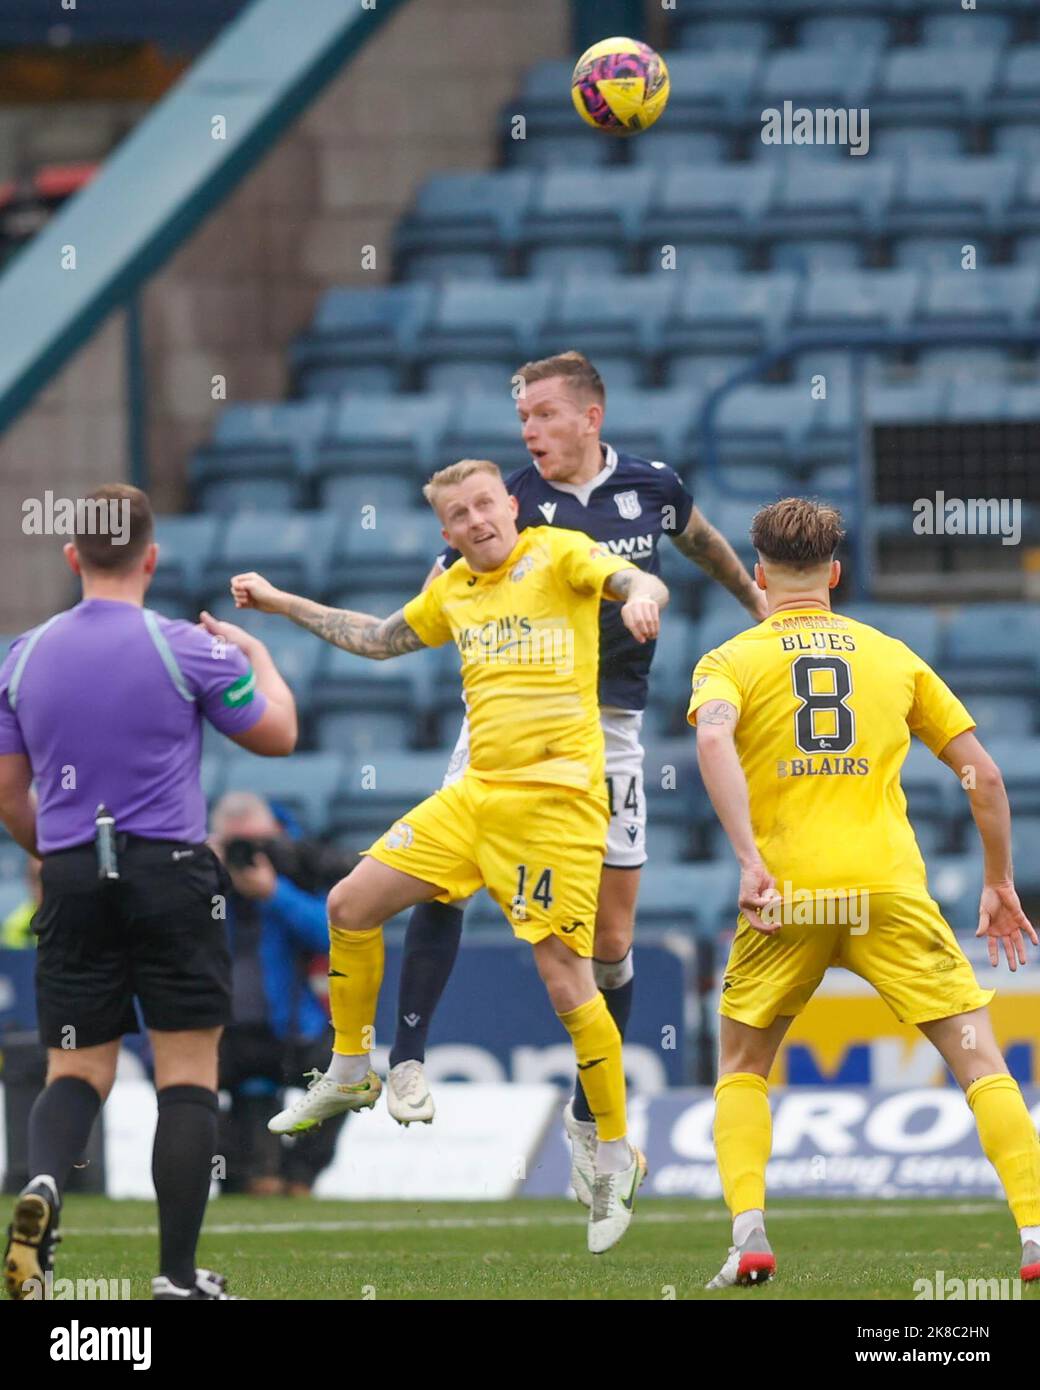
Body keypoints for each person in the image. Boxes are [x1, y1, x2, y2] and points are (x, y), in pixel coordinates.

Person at [230, 456, 669, 1252]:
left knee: (567, 982)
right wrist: (277, 600)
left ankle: (611, 1151)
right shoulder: (454, 589)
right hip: (474, 797)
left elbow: (634, 581)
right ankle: (352, 1068)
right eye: (459, 515)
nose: (477, 521)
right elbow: (373, 638)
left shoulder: (559, 553)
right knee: (348, 905)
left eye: (485, 505)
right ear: (445, 531)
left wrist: (641, 597)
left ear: (511, 504)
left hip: (555, 805)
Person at [386, 351, 765, 1208]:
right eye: (522, 417)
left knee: (613, 945)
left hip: (610, 731)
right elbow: (436, 598)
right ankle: (405, 1056)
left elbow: (700, 544)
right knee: (441, 881)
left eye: (544, 414)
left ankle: (593, 1117)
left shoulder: (653, 486)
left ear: (591, 415)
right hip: (507, 729)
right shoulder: (508, 504)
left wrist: (759, 609)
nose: (530, 431)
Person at [687, 496, 1040, 1289]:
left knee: (743, 1064)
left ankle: (749, 1237)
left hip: (790, 895)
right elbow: (982, 775)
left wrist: (748, 858)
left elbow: (712, 735)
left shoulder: (729, 660)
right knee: (980, 1059)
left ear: (760, 574)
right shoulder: (892, 656)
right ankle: (1035, 1231)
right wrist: (998, 880)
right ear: (836, 573)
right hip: (887, 890)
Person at [0, 483, 297, 1302]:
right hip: (170, 874)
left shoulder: (21, 656)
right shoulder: (184, 649)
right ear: (151, 557)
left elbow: (7, 792)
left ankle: (43, 1188)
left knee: (75, 1069)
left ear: (72, 556)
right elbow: (278, 734)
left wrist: (54, 850)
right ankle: (173, 1276)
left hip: (67, 876)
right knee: (187, 1075)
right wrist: (258, 656)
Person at [211, 790, 354, 1196]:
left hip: (292, 1029)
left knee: (347, 1081)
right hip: (227, 1035)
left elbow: (332, 934)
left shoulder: (298, 866)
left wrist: (273, 893)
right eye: (236, 845)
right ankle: (249, 1174)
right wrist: (206, 873)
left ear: (274, 835)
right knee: (189, 1093)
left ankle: (300, 1175)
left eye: (255, 843)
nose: (245, 854)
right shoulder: (205, 878)